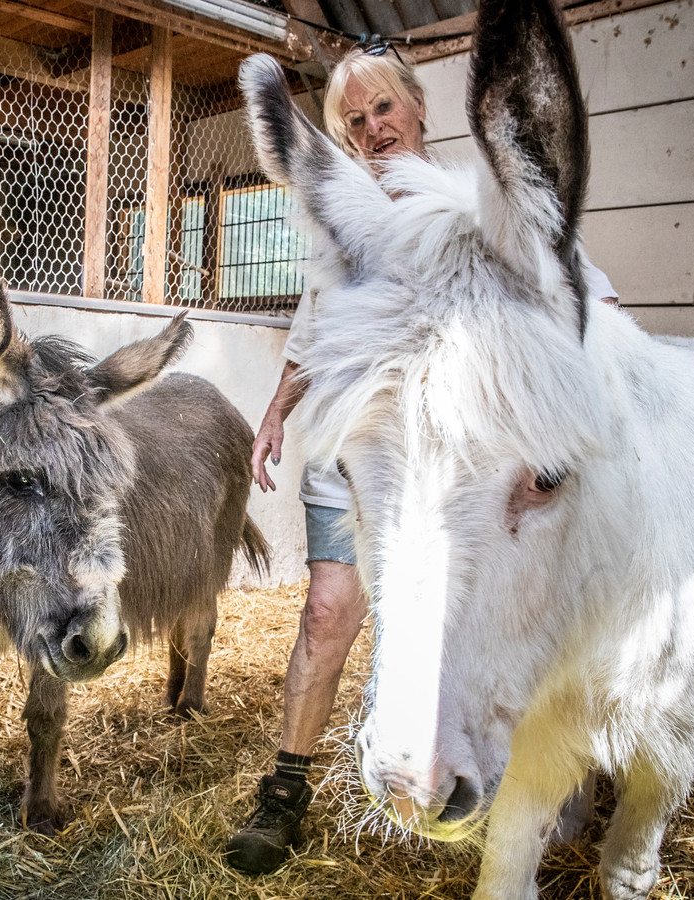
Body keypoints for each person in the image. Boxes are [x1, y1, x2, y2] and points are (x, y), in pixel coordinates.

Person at [224, 45, 617, 876]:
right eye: (354, 121)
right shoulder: (344, 220)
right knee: (329, 616)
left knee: (495, 605)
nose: (371, 129)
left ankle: (536, 767)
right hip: (362, 465)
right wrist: (272, 418)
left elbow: (587, 301)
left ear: (416, 107)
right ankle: (286, 791)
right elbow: (311, 338)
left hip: (457, 477)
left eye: (382, 110)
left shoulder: (484, 208)